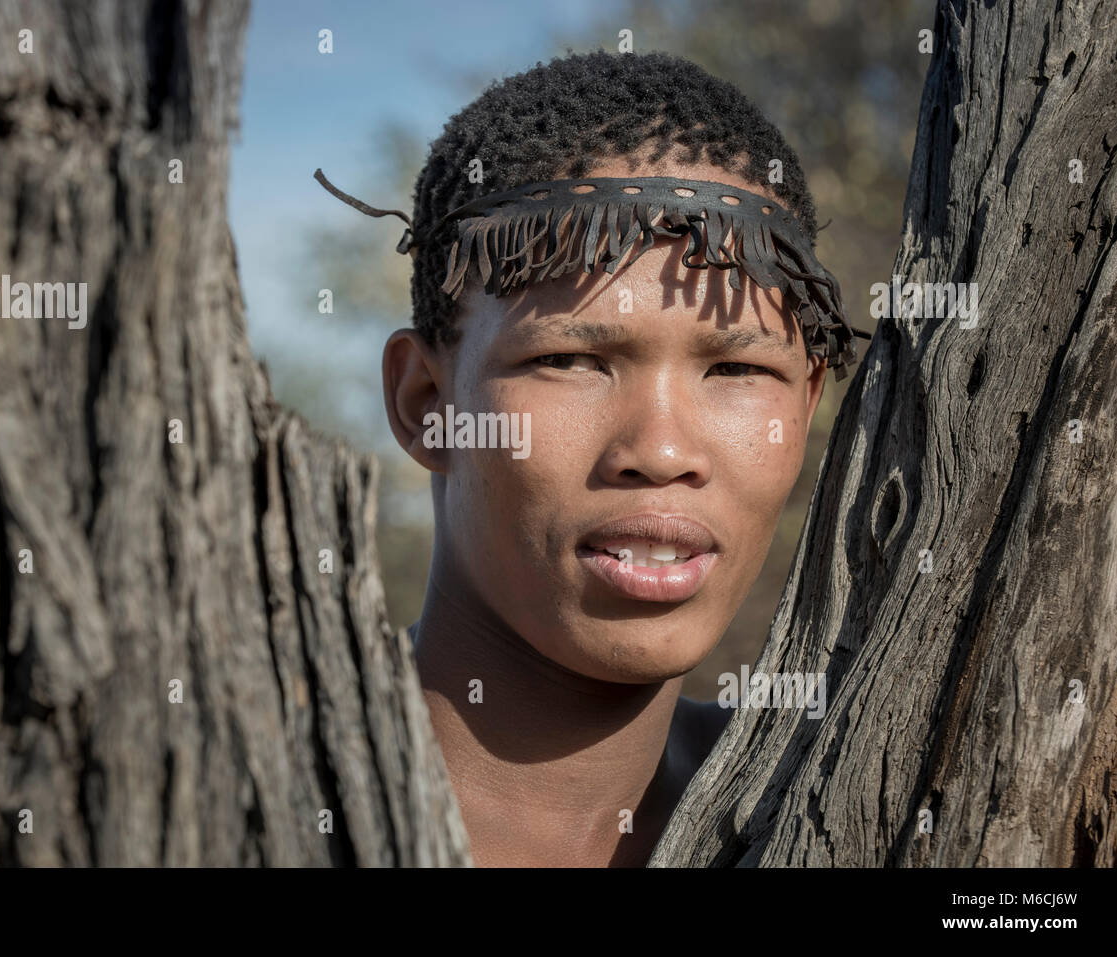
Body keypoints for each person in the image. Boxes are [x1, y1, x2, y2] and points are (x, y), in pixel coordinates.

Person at [316, 50, 867, 867]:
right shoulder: (231, 793)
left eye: (738, 369)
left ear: (806, 405)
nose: (663, 451)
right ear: (425, 404)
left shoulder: (861, 801)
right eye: (573, 361)